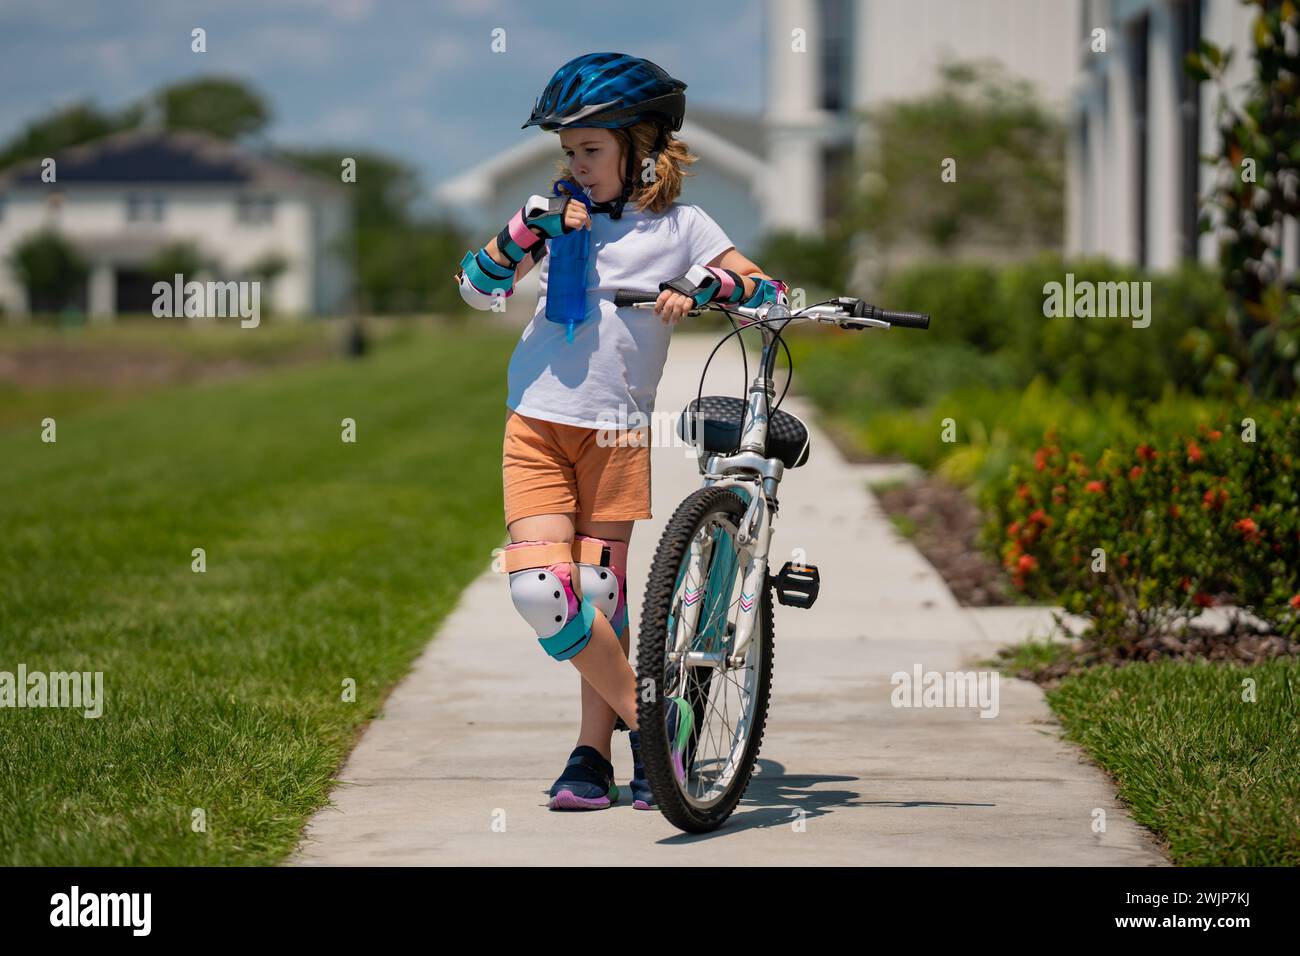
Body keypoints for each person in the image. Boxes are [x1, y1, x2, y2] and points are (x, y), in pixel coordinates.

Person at [453, 52, 789, 811]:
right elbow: (476, 290)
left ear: (643, 148)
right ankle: (655, 726)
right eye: (569, 150)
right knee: (543, 591)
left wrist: (708, 284)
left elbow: (768, 291)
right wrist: (521, 231)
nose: (577, 165)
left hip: (613, 433)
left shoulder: (681, 226)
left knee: (599, 593)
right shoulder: (554, 218)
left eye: (591, 150)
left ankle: (589, 755)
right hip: (535, 424)